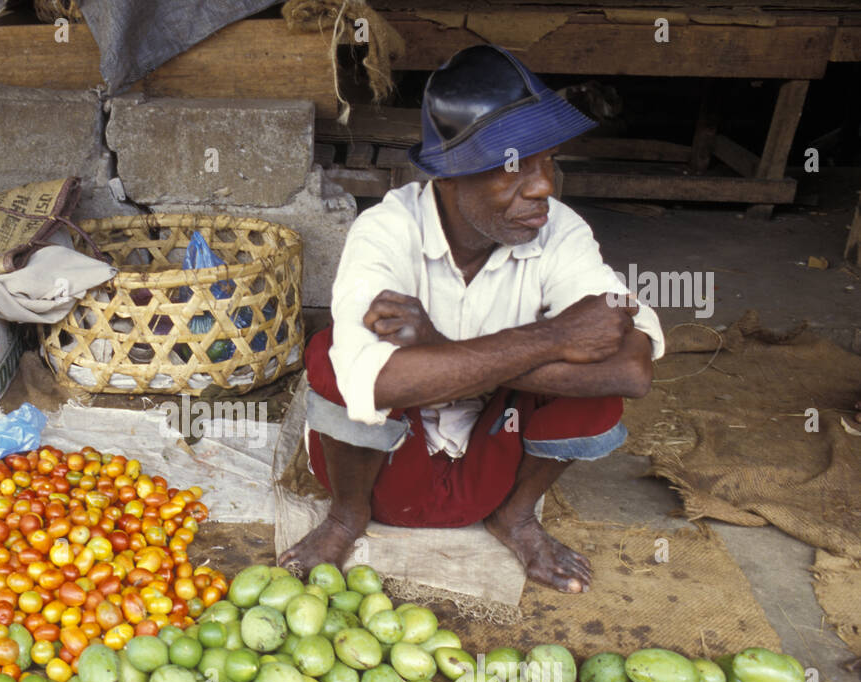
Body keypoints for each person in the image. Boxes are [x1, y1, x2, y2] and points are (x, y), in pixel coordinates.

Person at [279, 45, 666, 594]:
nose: (542, 187)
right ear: (449, 178)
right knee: (330, 357)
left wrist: (438, 347)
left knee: (596, 388)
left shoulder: (561, 230)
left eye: (549, 160)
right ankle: (345, 519)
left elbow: (631, 370)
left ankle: (518, 519)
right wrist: (554, 337)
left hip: (495, 464)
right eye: (514, 168)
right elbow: (376, 381)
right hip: (388, 470)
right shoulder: (387, 230)